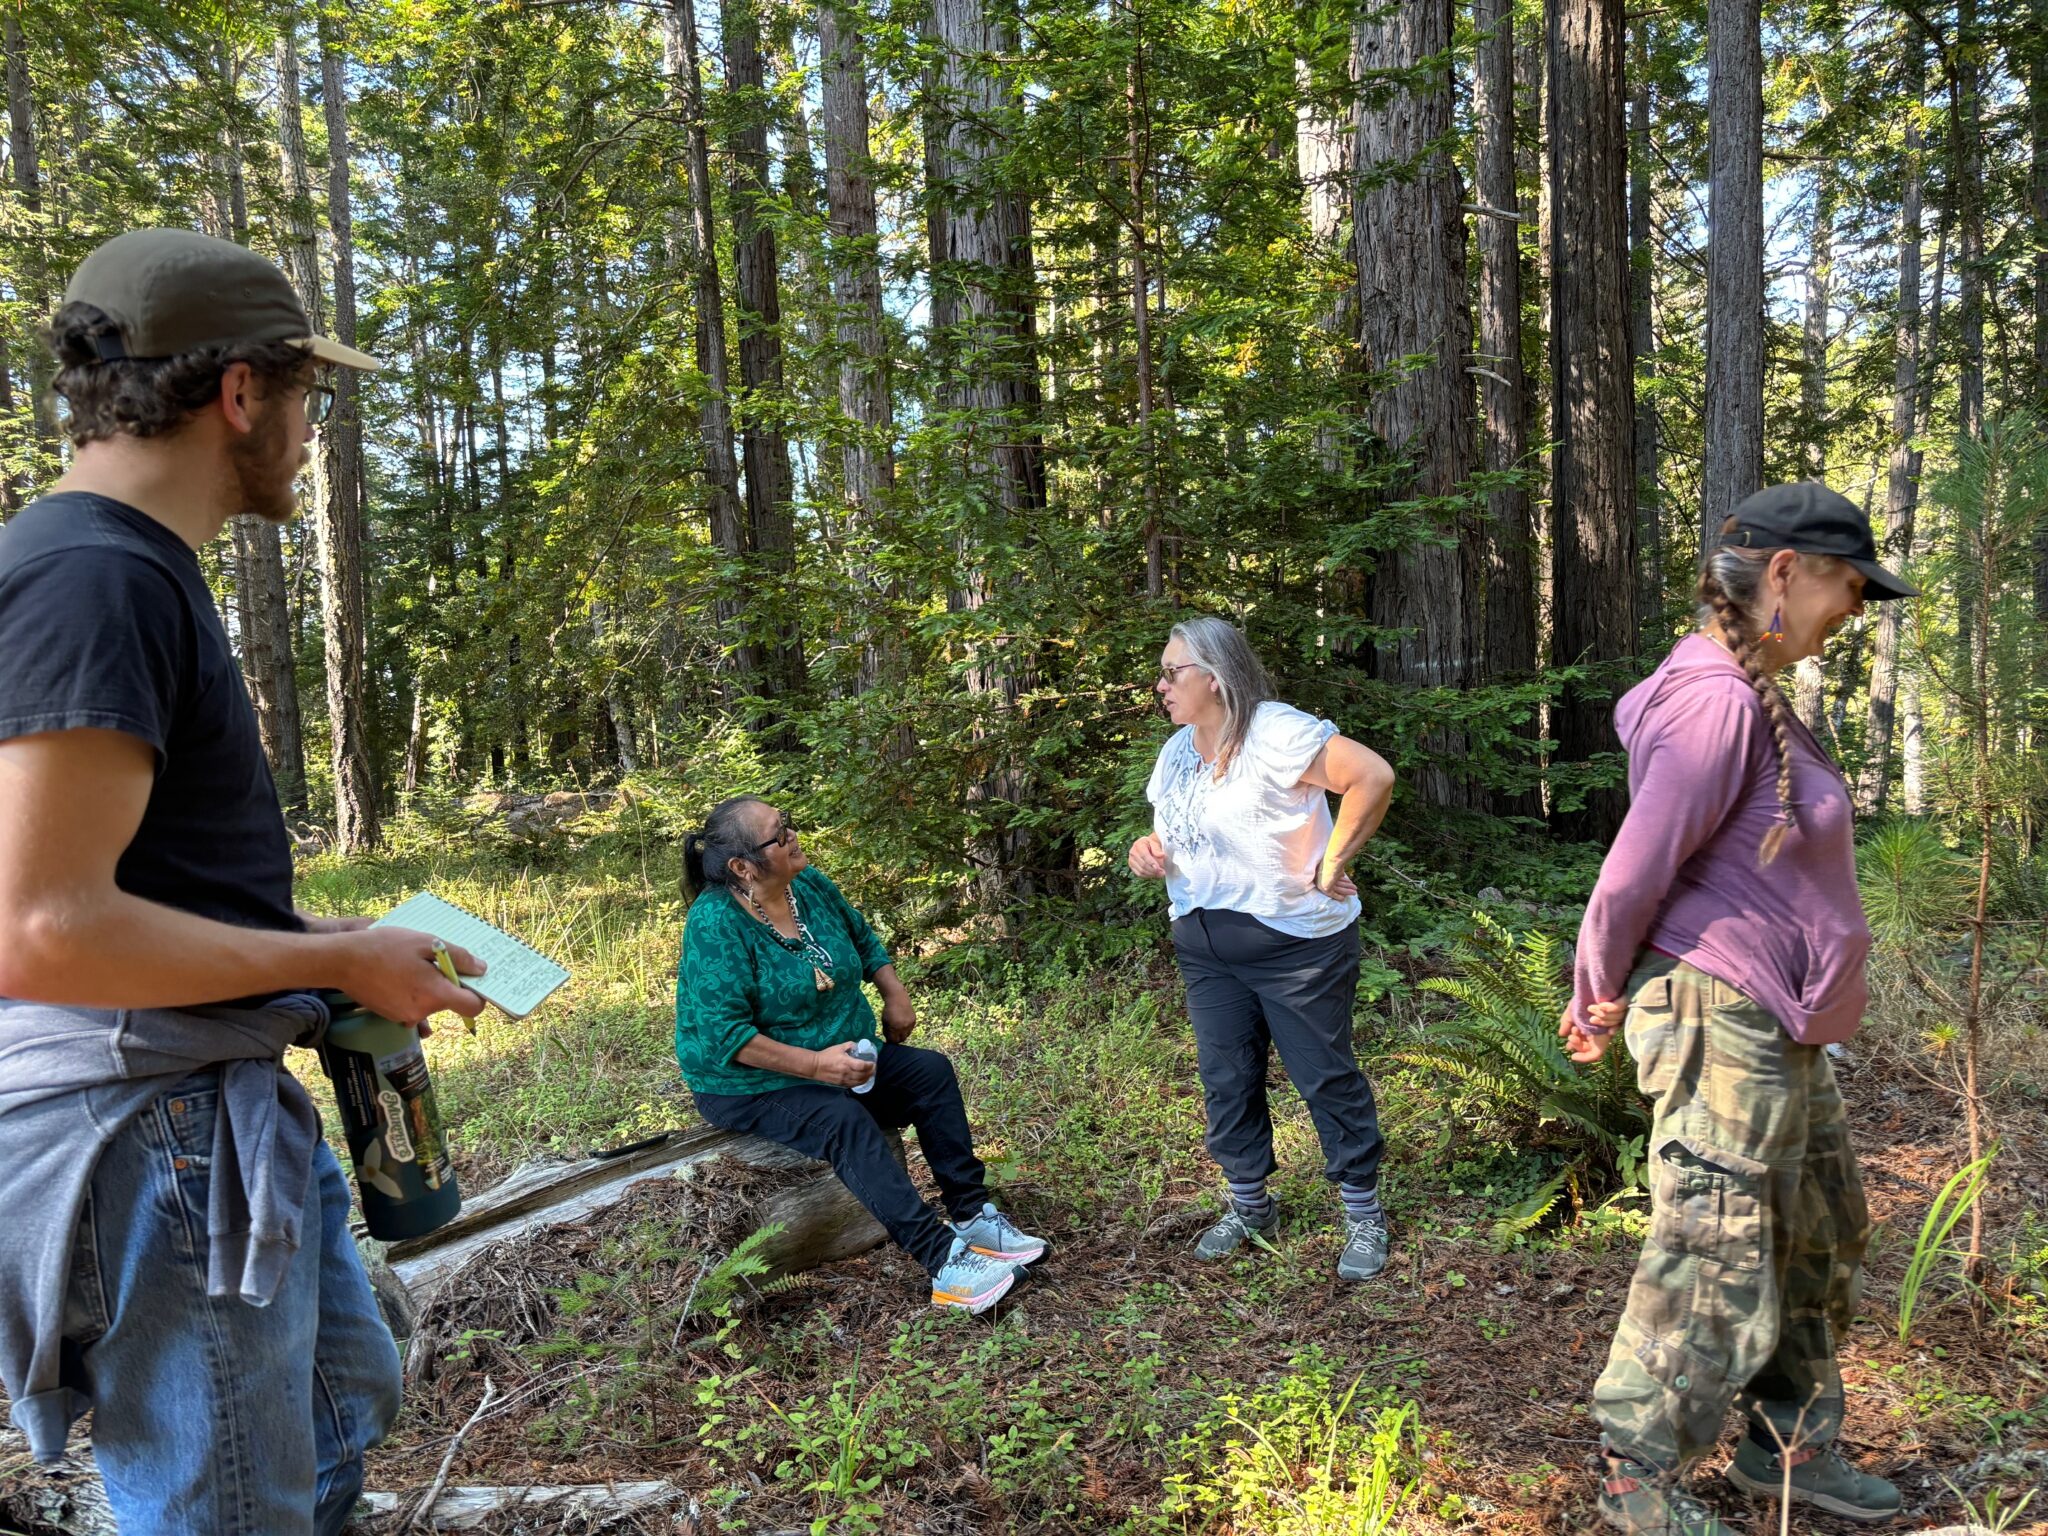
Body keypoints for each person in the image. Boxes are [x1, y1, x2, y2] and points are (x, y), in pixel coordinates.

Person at [0, 230, 488, 1534]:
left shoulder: (123, 568)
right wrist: (331, 963)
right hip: (147, 1129)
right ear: (238, 395)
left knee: (338, 1401)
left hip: (201, 1106)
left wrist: (346, 938)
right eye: (308, 395)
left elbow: (125, 886)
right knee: (225, 1506)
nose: (310, 427)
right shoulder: (93, 577)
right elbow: (41, 933)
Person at [1560, 483, 1913, 1534]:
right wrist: (1595, 995)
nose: (1852, 611)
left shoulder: (1751, 686)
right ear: (1784, 573)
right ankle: (1636, 1476)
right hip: (1720, 1013)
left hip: (1778, 1021)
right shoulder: (1712, 697)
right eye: (1848, 588)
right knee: (1712, 1244)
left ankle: (1784, 1449)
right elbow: (1634, 870)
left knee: (1818, 1232)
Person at [675, 795, 1046, 1314]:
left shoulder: (807, 885)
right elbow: (725, 1035)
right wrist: (816, 1066)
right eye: (779, 835)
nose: (794, 838)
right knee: (843, 1122)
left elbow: (863, 938)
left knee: (930, 1073)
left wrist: (895, 994)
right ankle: (946, 1263)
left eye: (790, 825)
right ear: (742, 866)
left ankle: (972, 1214)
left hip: (844, 1056)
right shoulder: (715, 922)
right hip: (749, 1082)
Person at [1128, 617, 1398, 1280]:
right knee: (1227, 1078)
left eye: (1172, 672)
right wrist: (1149, 852)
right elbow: (1175, 836)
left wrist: (1335, 861)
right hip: (1205, 944)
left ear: (1215, 678)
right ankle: (1250, 1204)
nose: (1160, 684)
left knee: (1324, 1076)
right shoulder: (1176, 753)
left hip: (1295, 947)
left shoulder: (1275, 731)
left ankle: (1363, 1212)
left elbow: (1372, 776)